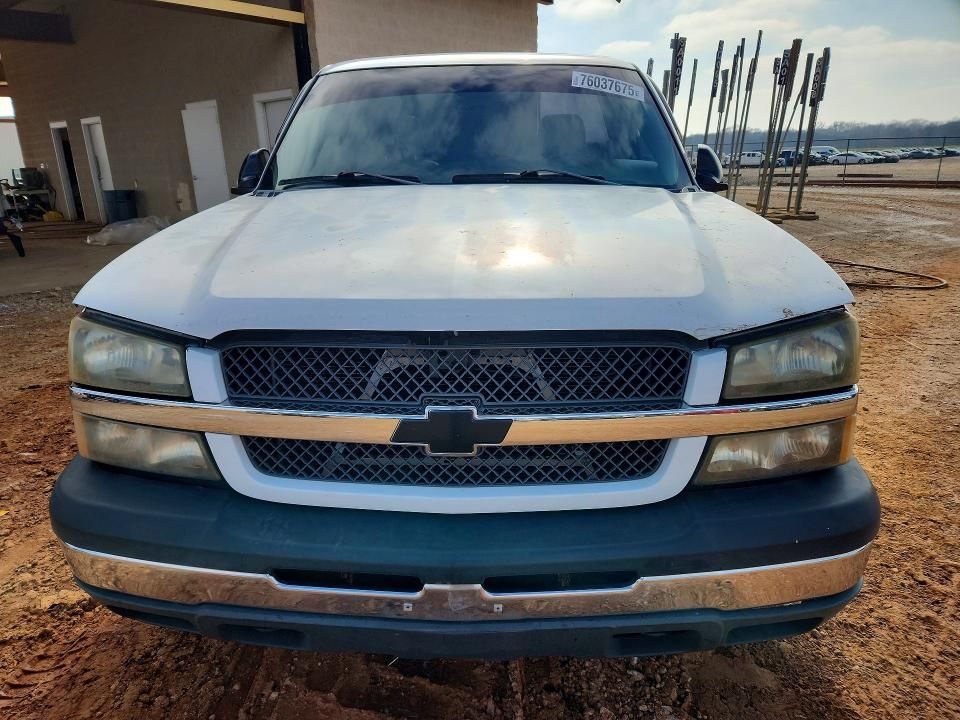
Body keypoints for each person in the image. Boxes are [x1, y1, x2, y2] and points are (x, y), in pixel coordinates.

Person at [0, 180, 26, 257]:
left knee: (13, 232)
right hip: (2, 221)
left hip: (2, 221)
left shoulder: (2, 197)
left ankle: (21, 252)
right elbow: (8, 209)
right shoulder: (2, 197)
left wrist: (17, 223)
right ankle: (21, 252)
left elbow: (8, 210)